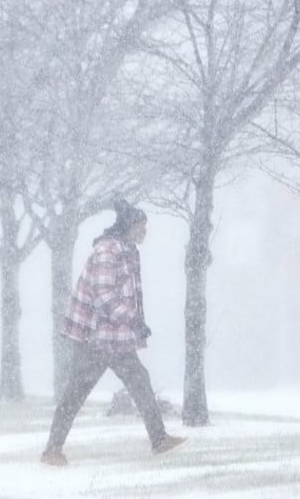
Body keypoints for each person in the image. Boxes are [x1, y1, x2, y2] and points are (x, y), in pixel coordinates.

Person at [41, 200, 186, 466]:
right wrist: (134, 321)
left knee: (140, 381)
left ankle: (159, 440)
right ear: (130, 226)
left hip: (114, 337)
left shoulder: (128, 251)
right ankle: (52, 450)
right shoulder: (108, 251)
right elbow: (104, 297)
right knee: (76, 393)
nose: (145, 231)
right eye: (142, 226)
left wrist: (134, 323)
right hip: (94, 338)